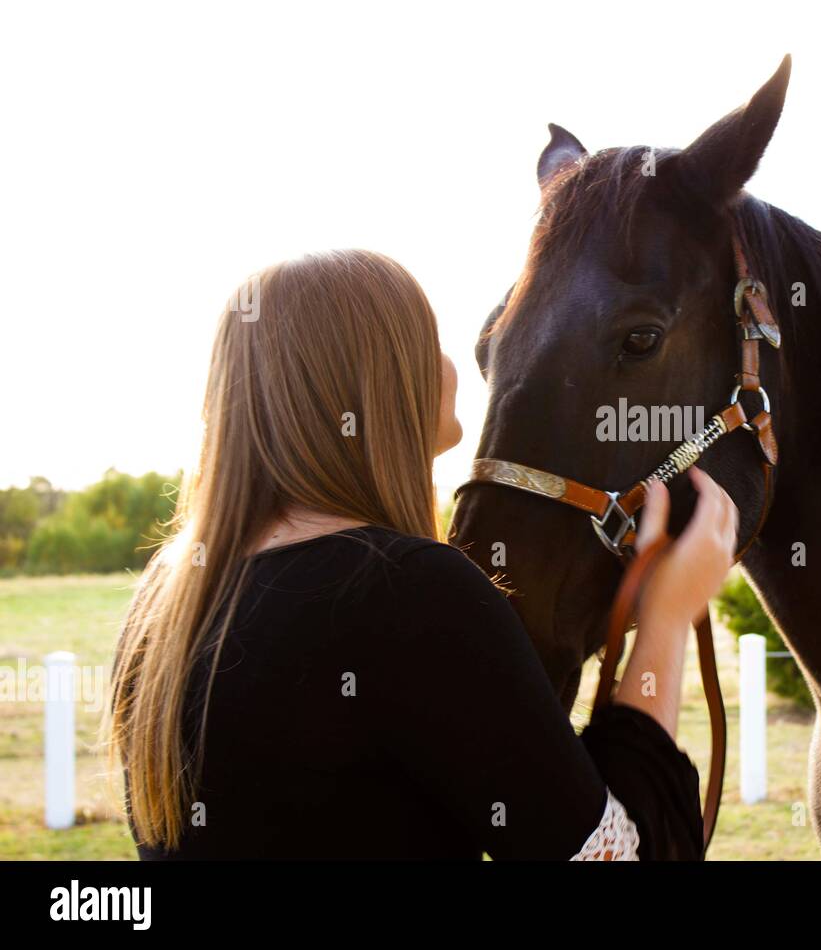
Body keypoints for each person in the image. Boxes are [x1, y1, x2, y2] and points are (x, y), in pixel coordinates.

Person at [106, 249, 737, 860]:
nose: (450, 362)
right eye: (429, 338)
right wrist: (666, 616)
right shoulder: (409, 592)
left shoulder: (165, 600)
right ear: (378, 377)